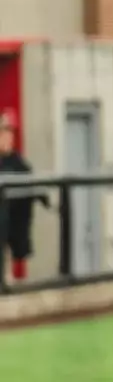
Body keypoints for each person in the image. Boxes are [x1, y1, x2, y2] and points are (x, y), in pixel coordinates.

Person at [0, 114, 43, 283]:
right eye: (3, 133)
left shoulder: (17, 162)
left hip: (12, 222)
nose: (7, 137)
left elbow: (30, 180)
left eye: (9, 133)